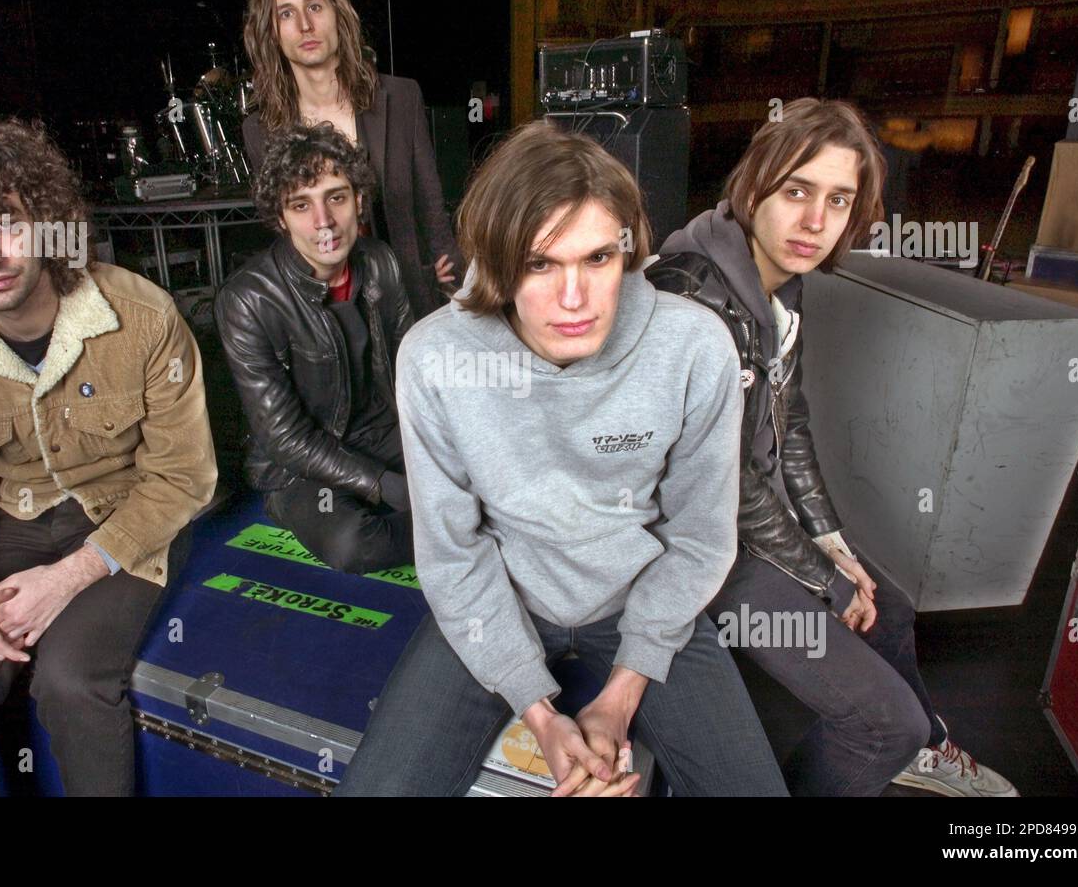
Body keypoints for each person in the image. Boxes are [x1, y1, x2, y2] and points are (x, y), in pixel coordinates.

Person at [335, 121, 788, 797]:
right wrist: (542, 718)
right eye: (540, 264)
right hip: (502, 596)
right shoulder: (436, 359)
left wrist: (619, 698)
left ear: (627, 252)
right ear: (496, 255)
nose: (573, 298)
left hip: (643, 595)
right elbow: (453, 555)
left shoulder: (694, 348)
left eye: (597, 259)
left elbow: (699, 539)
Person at [647, 97, 1017, 797]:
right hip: (693, 547)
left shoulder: (774, 285)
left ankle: (924, 748)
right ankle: (896, 740)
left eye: (839, 200)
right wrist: (822, 575)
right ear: (754, 184)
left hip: (748, 530)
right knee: (883, 721)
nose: (816, 221)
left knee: (892, 606)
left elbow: (790, 420)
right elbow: (717, 475)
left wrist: (832, 538)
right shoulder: (692, 291)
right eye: (796, 191)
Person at [0, 102, 217, 796]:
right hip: (8, 530)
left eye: (5, 224)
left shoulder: (142, 315)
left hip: (125, 523)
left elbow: (182, 477)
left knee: (71, 682)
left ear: (47, 220)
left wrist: (69, 578)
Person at [214, 123, 414, 574]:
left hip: (382, 434)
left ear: (358, 201)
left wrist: (439, 449)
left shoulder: (380, 262)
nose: (323, 222)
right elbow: (283, 436)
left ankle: (458, 520)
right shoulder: (248, 299)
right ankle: (457, 530)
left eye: (336, 198)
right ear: (280, 218)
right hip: (300, 464)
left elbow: (413, 372)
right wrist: (384, 485)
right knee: (353, 545)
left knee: (484, 477)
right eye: (301, 205)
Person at [242, 0, 460, 321]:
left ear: (338, 15)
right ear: (271, 34)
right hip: (327, 313)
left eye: (315, 6)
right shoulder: (262, 129)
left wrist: (452, 287)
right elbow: (287, 233)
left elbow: (431, 210)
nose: (305, 25)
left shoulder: (401, 97)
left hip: (410, 297)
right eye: (286, 14)